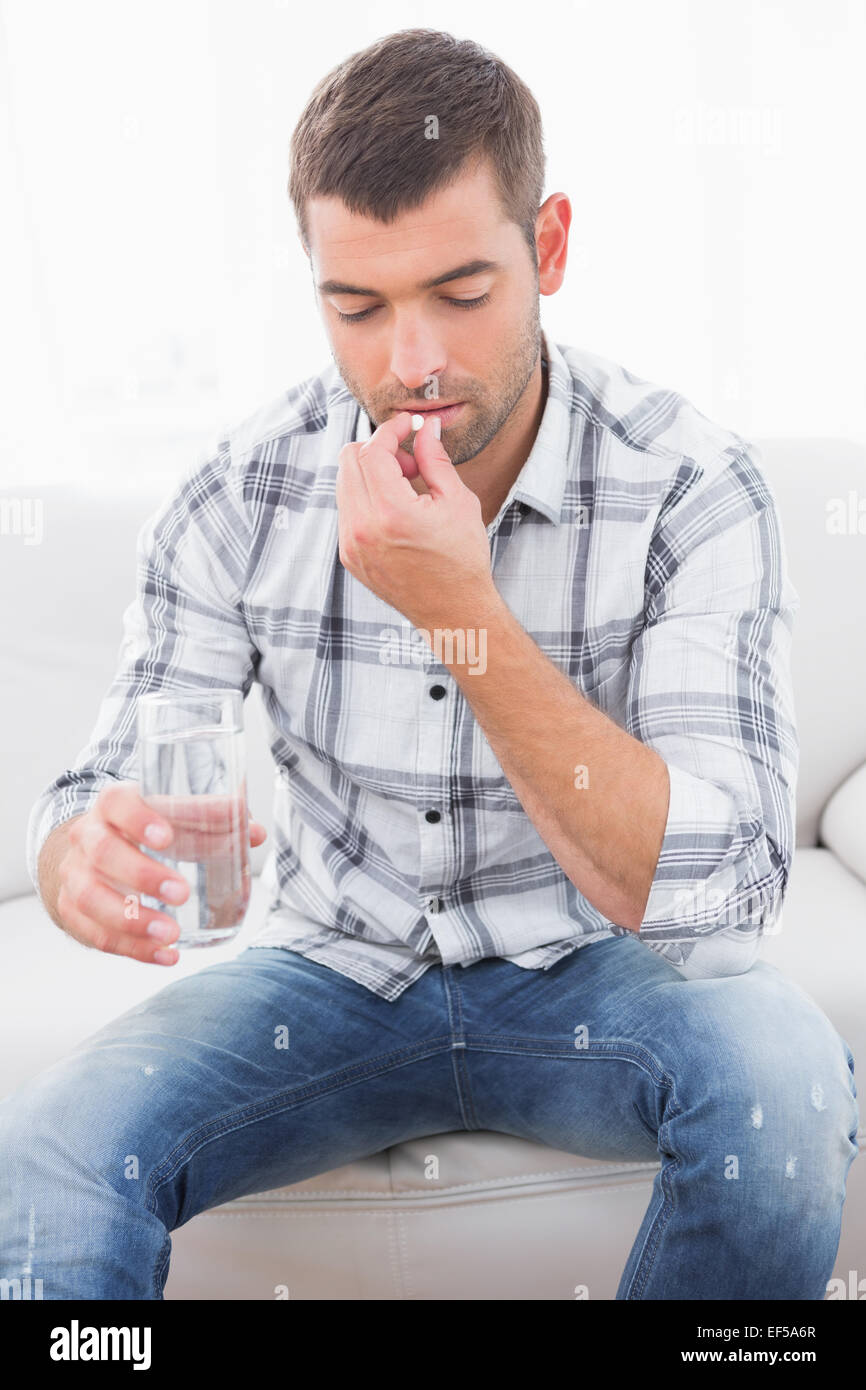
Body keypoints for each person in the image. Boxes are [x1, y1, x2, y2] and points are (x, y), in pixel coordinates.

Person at [1, 28, 857, 1301]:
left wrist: (462, 610)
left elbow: (723, 889)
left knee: (784, 1080)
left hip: (595, 971)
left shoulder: (688, 487)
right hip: (331, 970)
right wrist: (78, 854)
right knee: (56, 1150)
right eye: (358, 306)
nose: (410, 365)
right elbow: (110, 772)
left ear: (547, 246)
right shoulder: (239, 491)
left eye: (461, 293)